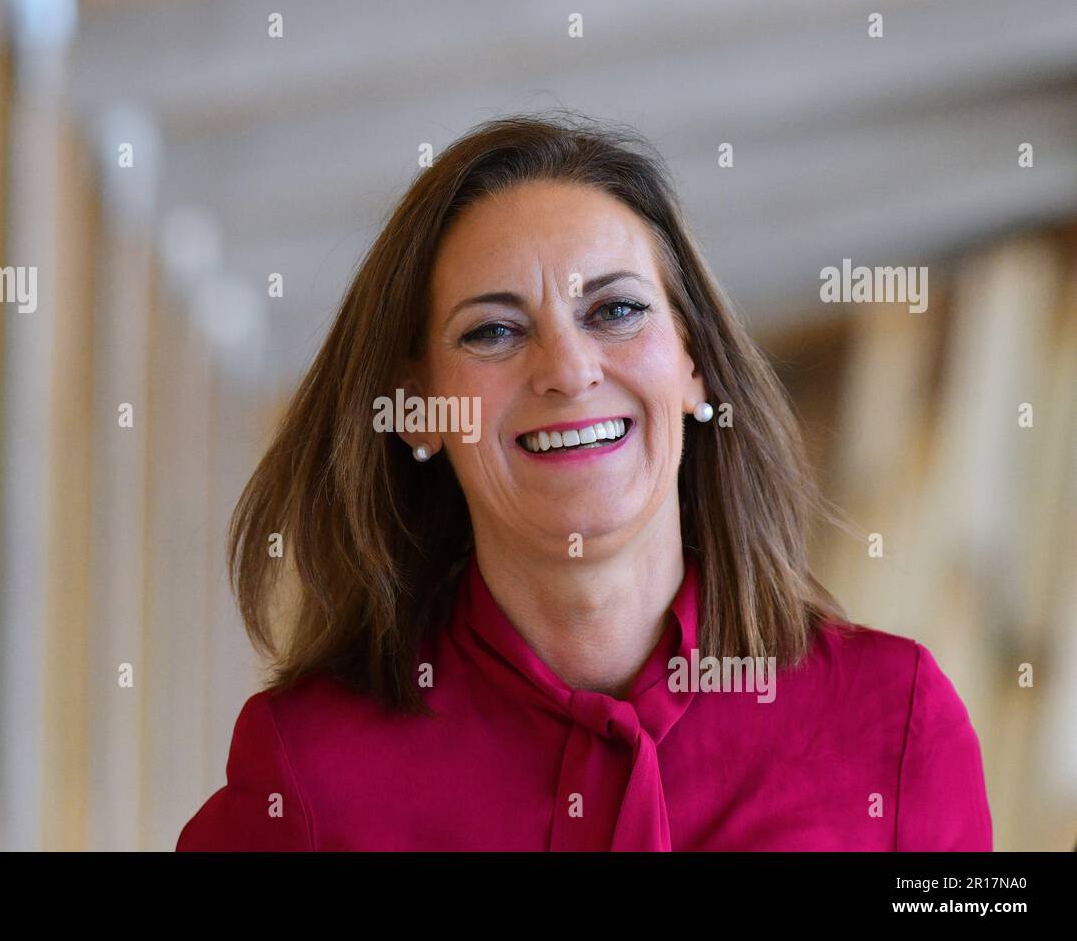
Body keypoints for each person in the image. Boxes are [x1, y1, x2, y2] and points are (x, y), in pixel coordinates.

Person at [177, 113, 992, 851]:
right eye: (494, 331)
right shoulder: (311, 776)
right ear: (418, 406)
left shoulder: (895, 722)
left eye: (616, 312)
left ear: (695, 364)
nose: (567, 370)